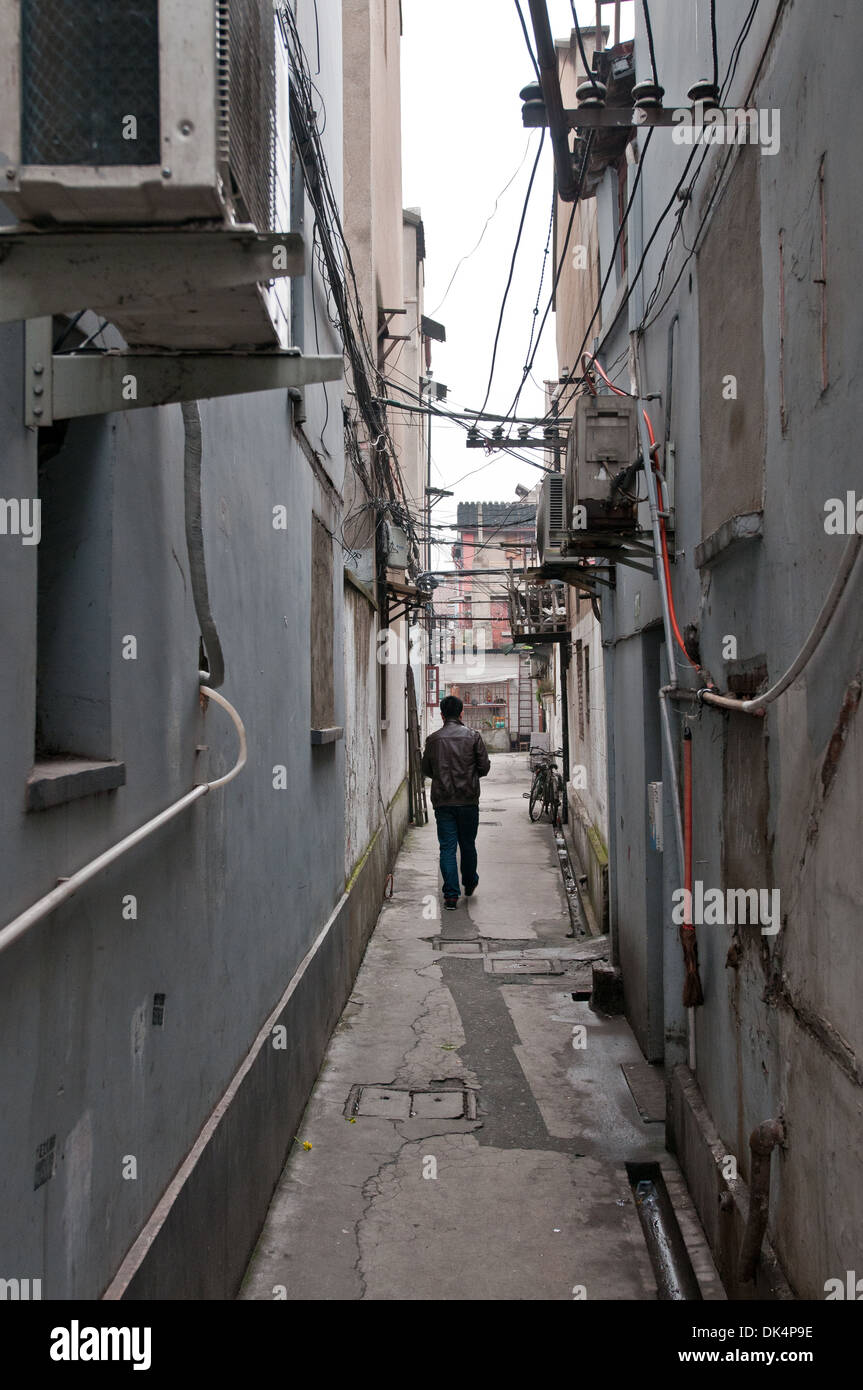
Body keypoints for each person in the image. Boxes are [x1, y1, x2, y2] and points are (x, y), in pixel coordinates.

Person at [421, 695, 491, 909]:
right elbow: (484, 768)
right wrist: (469, 776)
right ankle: (469, 882)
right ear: (461, 713)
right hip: (468, 800)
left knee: (447, 848)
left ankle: (451, 896)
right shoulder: (473, 737)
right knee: (468, 844)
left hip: (443, 802)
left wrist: (442, 777)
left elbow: (426, 770)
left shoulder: (433, 740)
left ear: (442, 715)